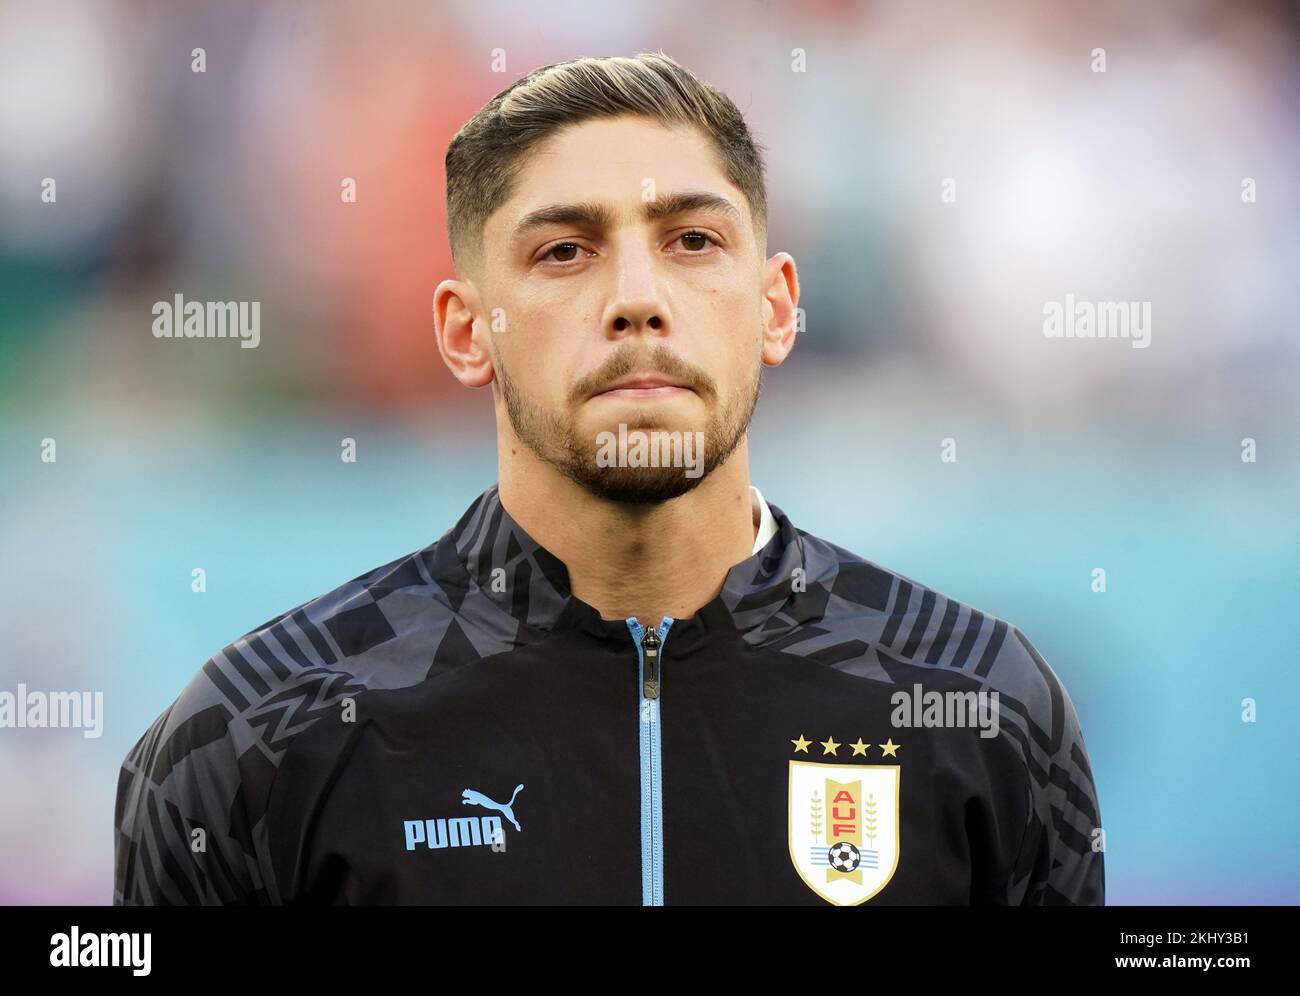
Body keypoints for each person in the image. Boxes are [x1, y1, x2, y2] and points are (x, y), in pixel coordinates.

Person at [113, 52, 1103, 905]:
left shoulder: (982, 705)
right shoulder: (253, 738)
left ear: (776, 307)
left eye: (692, 241)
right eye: (563, 252)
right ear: (467, 332)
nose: (637, 299)